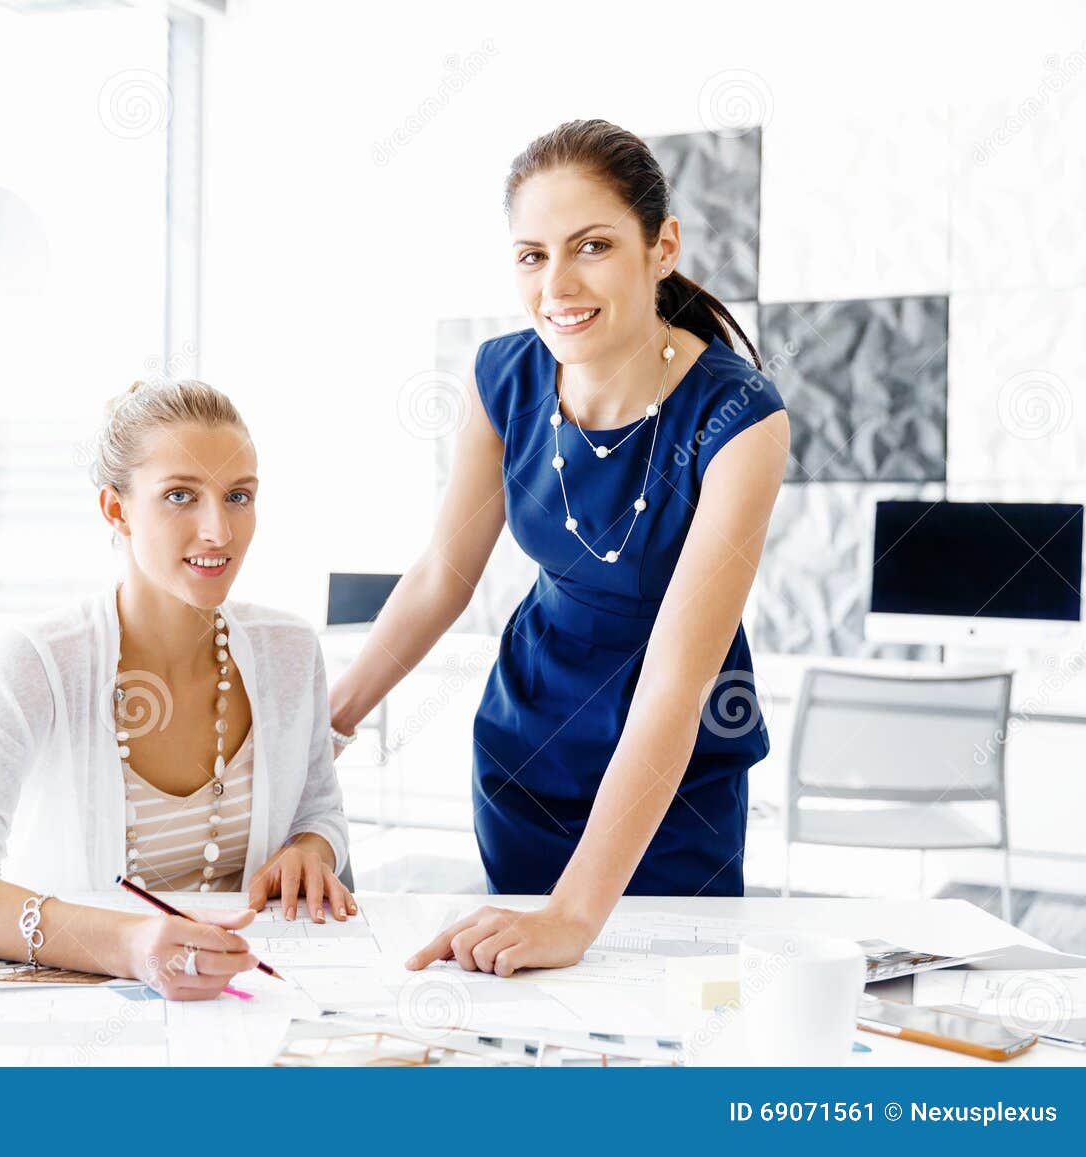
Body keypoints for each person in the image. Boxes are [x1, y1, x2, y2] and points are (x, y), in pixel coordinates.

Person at [328, 119, 790, 976]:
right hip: (527, 751)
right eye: (532, 255)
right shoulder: (503, 374)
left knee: (674, 1019)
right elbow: (442, 574)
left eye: (592, 246)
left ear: (662, 247)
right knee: (529, 1027)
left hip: (672, 778)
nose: (558, 284)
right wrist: (325, 722)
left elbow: (676, 686)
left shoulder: (739, 420)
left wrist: (575, 914)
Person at [0, 379, 353, 1000]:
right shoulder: (39, 663)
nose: (218, 529)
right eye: (180, 496)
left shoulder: (289, 650)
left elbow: (318, 812)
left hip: (239, 1002)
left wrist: (310, 849)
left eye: (238, 496)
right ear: (116, 509)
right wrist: (128, 946)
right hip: (78, 1009)